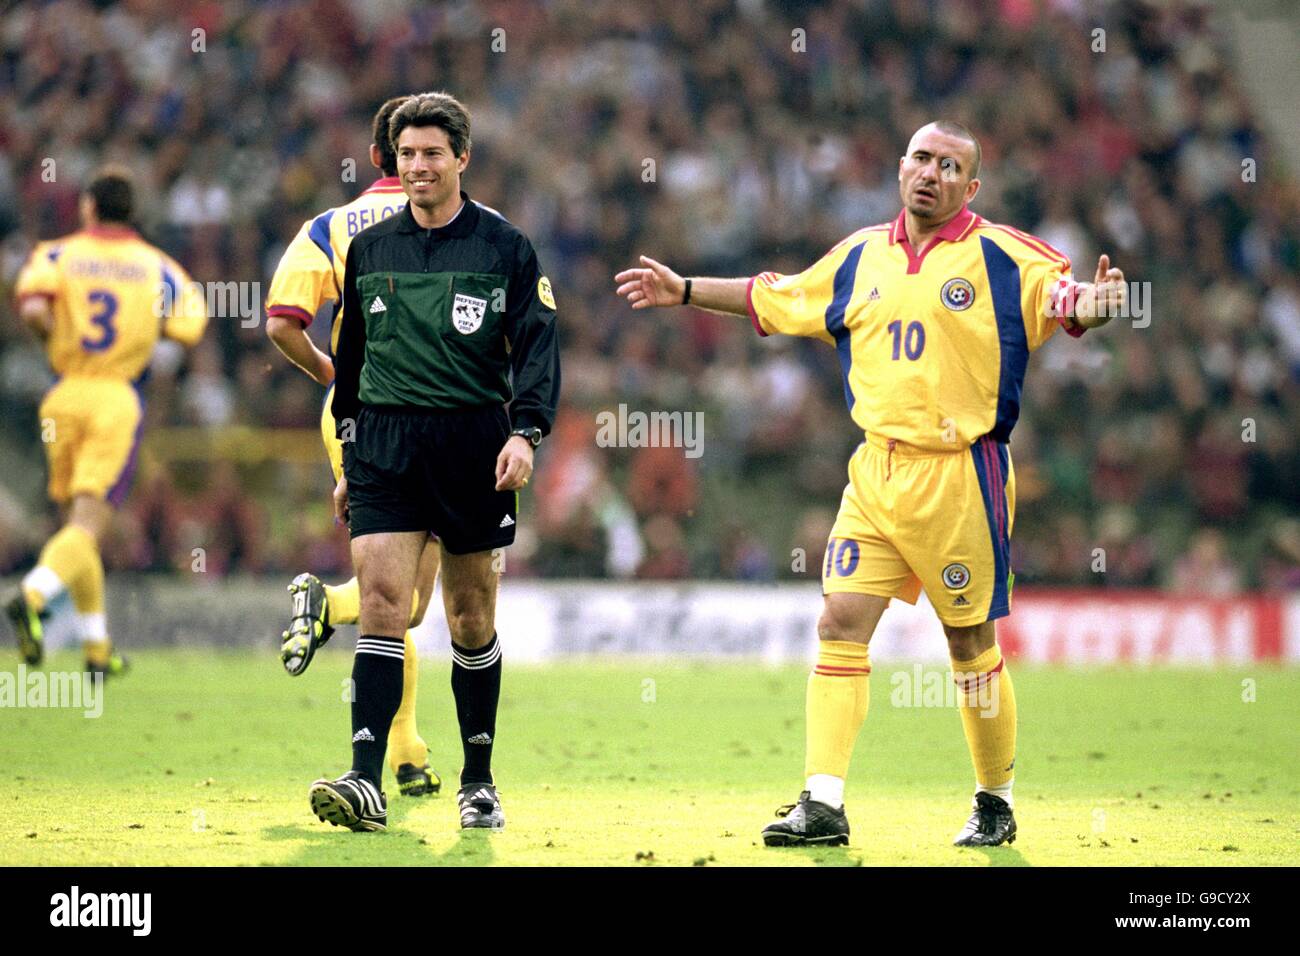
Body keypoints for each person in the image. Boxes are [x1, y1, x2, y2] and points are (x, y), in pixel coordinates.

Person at [615, 121, 1125, 848]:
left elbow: (1067, 300)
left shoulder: (1005, 255)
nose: (931, 173)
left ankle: (994, 802)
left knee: (968, 642)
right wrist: (686, 289)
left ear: (970, 187)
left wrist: (1100, 304)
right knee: (839, 622)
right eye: (921, 158)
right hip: (876, 472)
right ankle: (822, 803)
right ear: (900, 168)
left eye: (950, 167)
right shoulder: (859, 256)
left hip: (961, 476)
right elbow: (777, 296)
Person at [311, 92, 560, 833]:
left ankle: (478, 779)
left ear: (461, 159)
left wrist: (527, 434)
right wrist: (349, 450)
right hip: (386, 447)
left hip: (473, 448)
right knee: (384, 605)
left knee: (468, 617)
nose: (418, 167)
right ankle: (363, 779)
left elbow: (540, 348)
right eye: (407, 155)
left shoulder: (504, 247)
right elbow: (349, 363)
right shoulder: (370, 250)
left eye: (432, 154)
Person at [265, 94, 441, 798]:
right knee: (407, 599)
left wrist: (328, 371)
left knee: (399, 599)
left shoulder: (328, 226)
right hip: (433, 419)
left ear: (371, 158)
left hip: (353, 414)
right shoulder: (454, 220)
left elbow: (281, 322)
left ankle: (405, 754)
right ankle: (330, 606)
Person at [7, 166, 208, 675]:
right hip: (114, 398)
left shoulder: (58, 254)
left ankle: (97, 650)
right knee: (90, 523)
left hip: (62, 395)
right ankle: (31, 595)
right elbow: (188, 328)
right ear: (132, 213)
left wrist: (54, 337)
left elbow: (31, 307)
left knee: (78, 525)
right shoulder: (156, 265)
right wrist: (142, 330)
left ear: (89, 208)